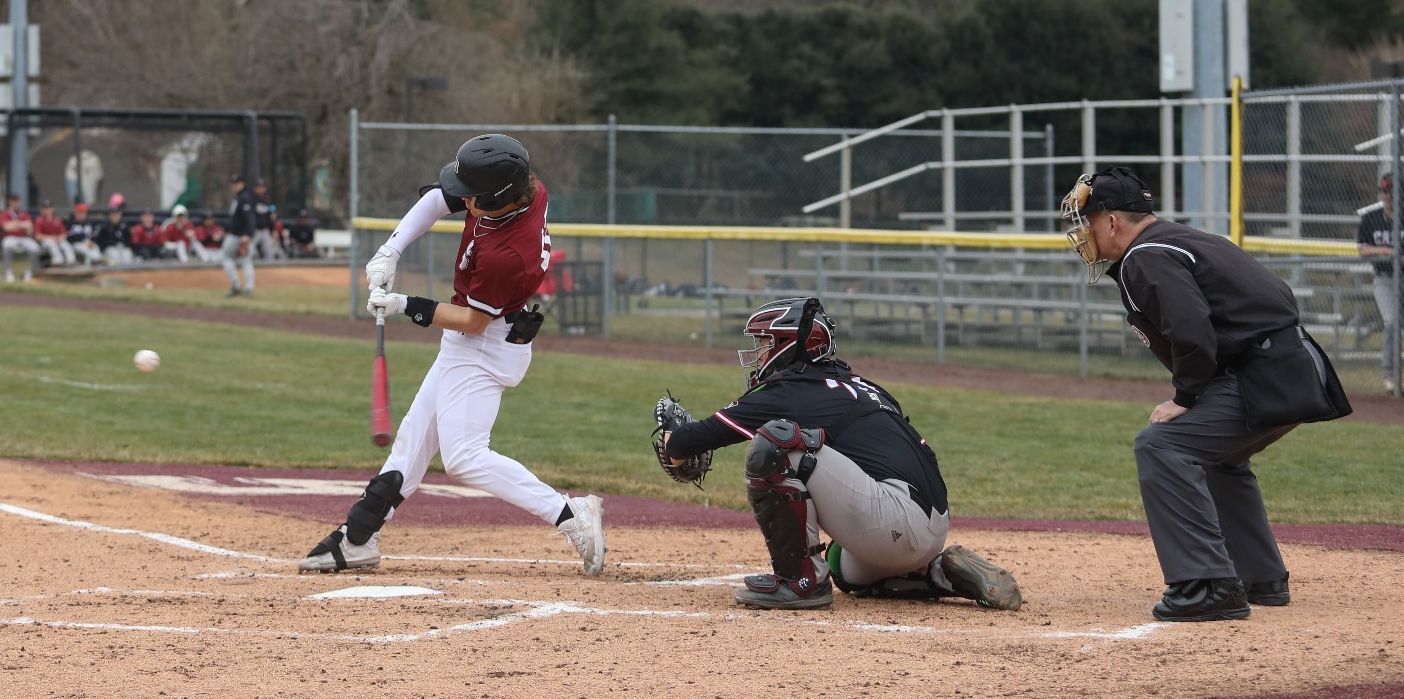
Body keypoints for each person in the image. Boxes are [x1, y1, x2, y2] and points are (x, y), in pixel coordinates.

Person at [298, 133, 606, 576]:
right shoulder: (522, 189)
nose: (462, 200)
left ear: (497, 199)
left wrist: (405, 305)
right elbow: (439, 201)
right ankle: (359, 537)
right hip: (473, 340)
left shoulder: (507, 256)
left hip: (485, 345)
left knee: (463, 457)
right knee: (411, 444)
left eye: (472, 196)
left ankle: (570, 514)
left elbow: (471, 321)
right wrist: (391, 249)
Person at [1061, 166, 1351, 621]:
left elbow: (1192, 332)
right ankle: (1260, 577)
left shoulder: (1145, 256)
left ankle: (1208, 584)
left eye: (1090, 221)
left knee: (1161, 445)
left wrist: (1186, 397)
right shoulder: (1180, 239)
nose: (1084, 234)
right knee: (1217, 457)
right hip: (1289, 365)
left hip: (1266, 371)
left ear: (1113, 221)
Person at [652, 297, 1020, 611]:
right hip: (927, 522)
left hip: (894, 517)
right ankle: (936, 571)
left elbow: (688, 442)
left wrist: (673, 440)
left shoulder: (791, 389)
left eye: (766, 343)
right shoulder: (862, 385)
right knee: (843, 567)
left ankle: (801, 581)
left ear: (788, 347)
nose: (758, 353)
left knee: (775, 444)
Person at [1357, 175, 1397, 345]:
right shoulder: (1370, 218)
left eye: (1392, 191)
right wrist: (1385, 251)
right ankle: (1390, 370)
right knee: (1391, 322)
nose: (1388, 196)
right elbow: (1362, 249)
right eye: (1384, 191)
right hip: (1384, 278)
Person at [221, 174, 260, 297]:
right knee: (245, 261)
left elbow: (250, 218)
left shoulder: (244, 198)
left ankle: (238, 286)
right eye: (232, 184)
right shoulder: (239, 198)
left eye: (236, 183)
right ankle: (247, 288)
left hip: (240, 235)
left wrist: (247, 235)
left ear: (241, 184)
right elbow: (234, 218)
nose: (233, 186)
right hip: (238, 234)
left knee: (227, 257)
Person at [0, 194, 42, 282]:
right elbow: (6, 227)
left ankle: (29, 273)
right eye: (13, 201)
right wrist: (21, 224)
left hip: (24, 238)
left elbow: (29, 226)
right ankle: (8, 271)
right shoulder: (5, 213)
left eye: (17, 201)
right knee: (6, 246)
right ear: (10, 202)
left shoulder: (24, 213)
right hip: (10, 237)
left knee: (35, 248)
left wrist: (15, 224)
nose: (16, 203)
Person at [95, 198, 133, 266]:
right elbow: (100, 241)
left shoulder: (124, 226)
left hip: (122, 248)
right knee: (114, 255)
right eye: (113, 214)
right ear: (110, 215)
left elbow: (129, 239)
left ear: (120, 215)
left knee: (127, 254)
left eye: (117, 214)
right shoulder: (105, 227)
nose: (115, 216)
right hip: (110, 248)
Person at [64, 200, 104, 265]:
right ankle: (97, 259)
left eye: (83, 212)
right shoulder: (71, 223)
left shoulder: (89, 223)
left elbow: (94, 234)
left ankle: (99, 260)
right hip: (76, 244)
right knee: (83, 248)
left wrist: (92, 241)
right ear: (76, 213)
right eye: (80, 212)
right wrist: (83, 241)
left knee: (95, 247)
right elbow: (70, 236)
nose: (81, 214)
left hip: (88, 243)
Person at [34, 201, 70, 267]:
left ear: (52, 209)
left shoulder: (57, 220)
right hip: (44, 245)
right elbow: (37, 236)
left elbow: (64, 234)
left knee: (64, 243)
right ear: (42, 210)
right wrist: (51, 238)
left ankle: (71, 260)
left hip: (57, 241)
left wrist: (59, 238)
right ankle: (58, 260)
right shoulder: (39, 220)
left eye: (48, 208)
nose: (47, 210)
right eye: (45, 208)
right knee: (50, 242)